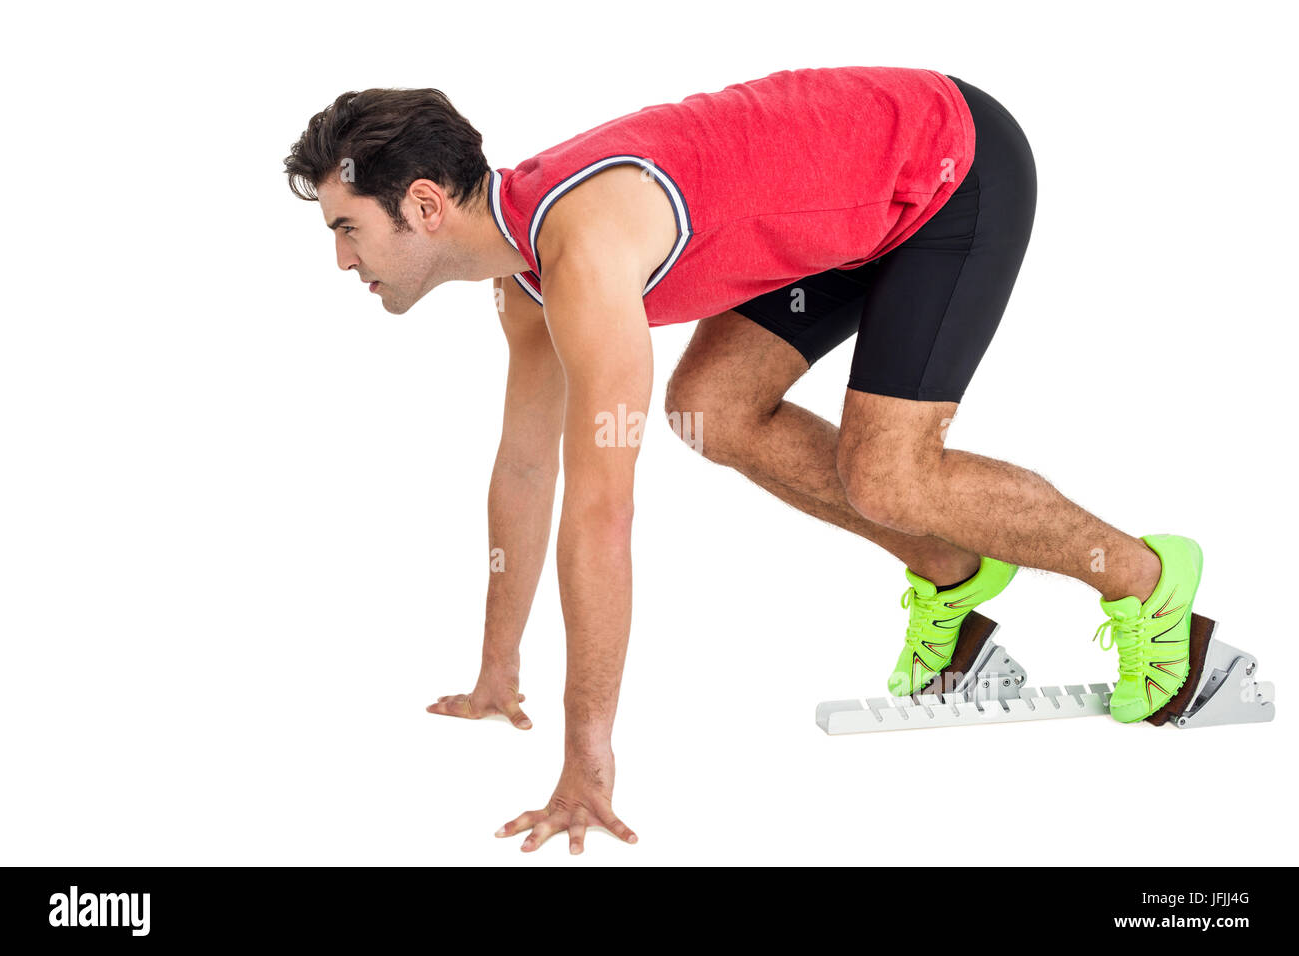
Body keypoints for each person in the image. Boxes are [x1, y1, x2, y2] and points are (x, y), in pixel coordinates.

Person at [283, 65, 1202, 854]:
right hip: (847, 204)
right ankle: (949, 567)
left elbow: (602, 512)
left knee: (891, 474)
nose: (339, 259)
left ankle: (1143, 576)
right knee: (708, 412)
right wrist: (497, 668)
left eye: (345, 227)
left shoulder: (583, 262)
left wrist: (588, 760)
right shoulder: (522, 276)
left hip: (948, 173)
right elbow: (526, 472)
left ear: (425, 206)